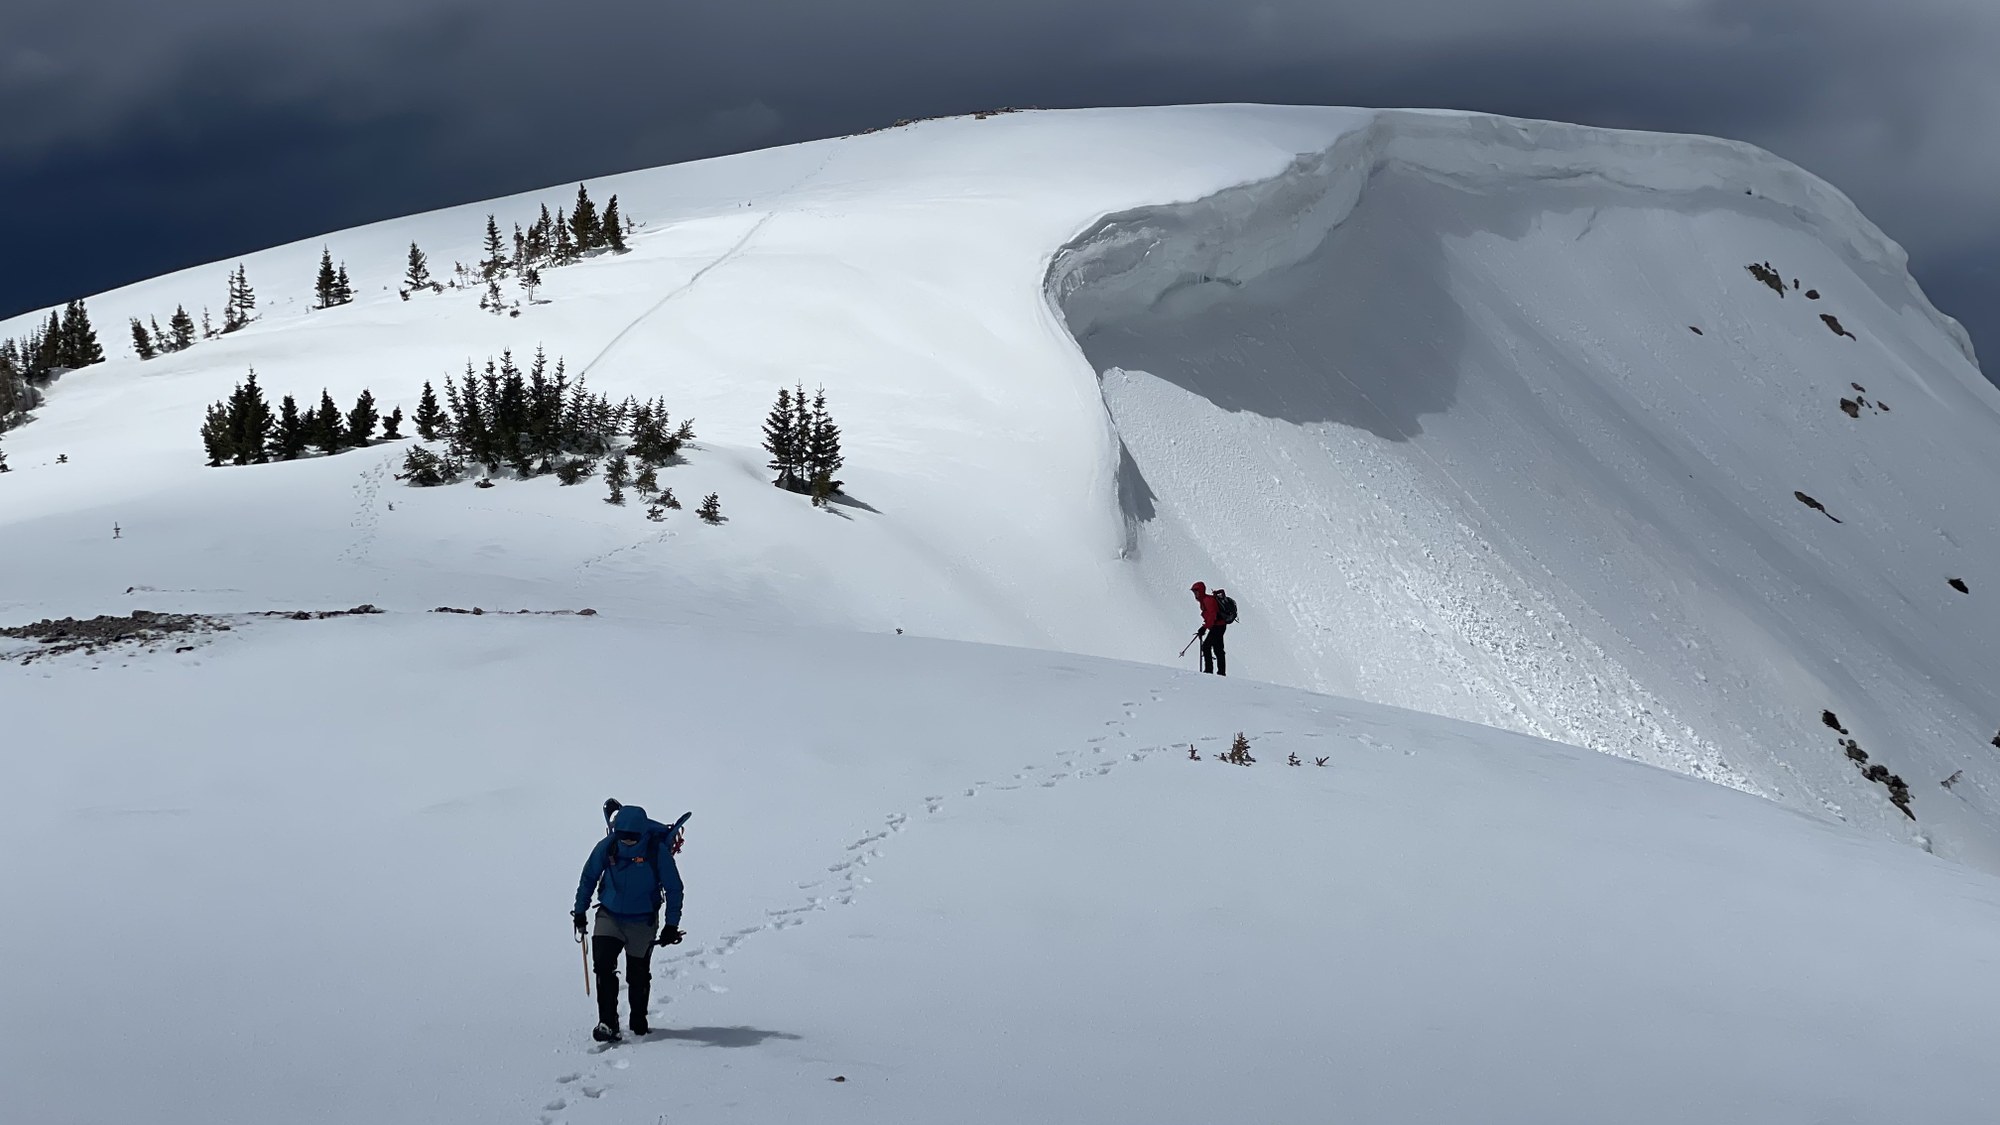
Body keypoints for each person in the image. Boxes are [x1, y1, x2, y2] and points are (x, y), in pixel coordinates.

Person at [572, 804, 686, 1042]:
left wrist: (671, 925)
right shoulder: (608, 846)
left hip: (642, 921)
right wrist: (580, 911)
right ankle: (608, 1023)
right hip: (609, 915)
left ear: (642, 833)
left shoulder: (656, 851)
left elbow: (674, 888)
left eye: (632, 838)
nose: (628, 842)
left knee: (638, 975)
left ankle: (638, 1021)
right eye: (624, 837)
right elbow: (589, 878)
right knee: (603, 966)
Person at [1191, 580, 1226, 676]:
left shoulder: (1207, 600)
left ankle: (1209, 670)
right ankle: (1221, 672)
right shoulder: (1205, 600)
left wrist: (1204, 628)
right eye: (1194, 592)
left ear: (1201, 591)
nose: (1195, 594)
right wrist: (1204, 627)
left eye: (1196, 591)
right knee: (1218, 649)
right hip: (1219, 626)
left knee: (1207, 646)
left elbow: (1212, 616)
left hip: (1218, 626)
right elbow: (1210, 617)